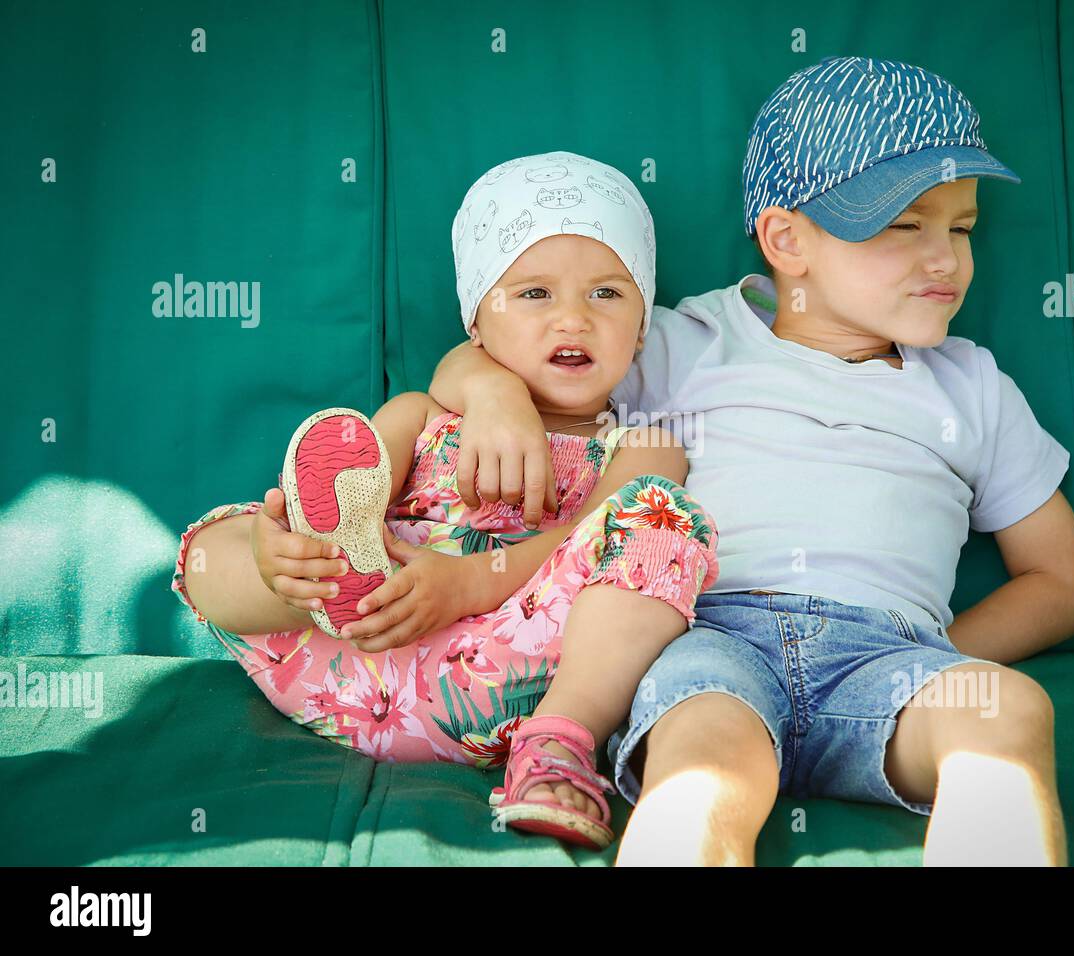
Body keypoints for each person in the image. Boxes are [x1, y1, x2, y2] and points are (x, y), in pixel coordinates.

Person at [426, 59, 1074, 866]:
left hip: (893, 656)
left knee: (1009, 713)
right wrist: (492, 395)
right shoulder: (685, 343)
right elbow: (510, 359)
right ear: (787, 240)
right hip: (710, 639)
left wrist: (938, 661)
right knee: (702, 768)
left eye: (961, 227)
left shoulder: (974, 388)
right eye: (906, 225)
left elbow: (1060, 581)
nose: (946, 259)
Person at [171, 150, 720, 851]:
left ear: (643, 328)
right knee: (220, 546)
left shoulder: (640, 445)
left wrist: (468, 582)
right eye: (533, 294)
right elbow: (405, 431)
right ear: (477, 324)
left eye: (608, 294)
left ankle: (559, 745)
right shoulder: (422, 415)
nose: (573, 320)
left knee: (662, 522)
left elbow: (591, 539)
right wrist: (286, 553)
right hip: (359, 643)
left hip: (516, 673)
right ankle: (313, 571)